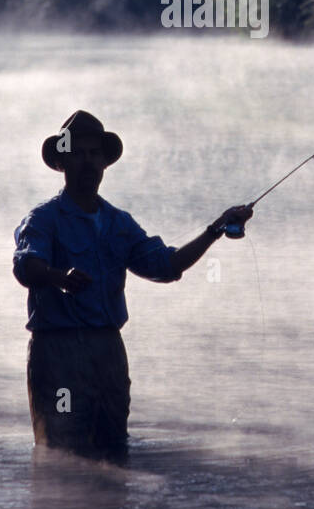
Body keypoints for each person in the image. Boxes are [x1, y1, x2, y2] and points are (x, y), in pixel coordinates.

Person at [13, 109, 252, 461]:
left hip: (108, 351)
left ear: (105, 163)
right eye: (77, 153)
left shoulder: (118, 223)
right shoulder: (43, 219)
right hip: (58, 352)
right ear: (63, 164)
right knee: (59, 458)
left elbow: (166, 266)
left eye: (94, 153)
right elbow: (25, 266)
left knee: (114, 449)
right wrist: (57, 278)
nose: (87, 161)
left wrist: (215, 229)